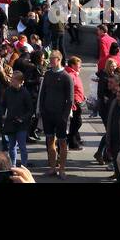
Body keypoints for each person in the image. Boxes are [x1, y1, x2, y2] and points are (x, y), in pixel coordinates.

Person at [38, 50, 74, 178]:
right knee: (49, 141)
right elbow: (43, 93)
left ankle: (62, 168)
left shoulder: (66, 76)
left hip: (60, 116)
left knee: (62, 142)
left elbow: (70, 99)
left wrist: (64, 117)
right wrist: (41, 109)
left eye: (52, 59)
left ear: (58, 60)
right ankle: (52, 167)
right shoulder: (48, 74)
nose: (50, 61)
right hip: (48, 114)